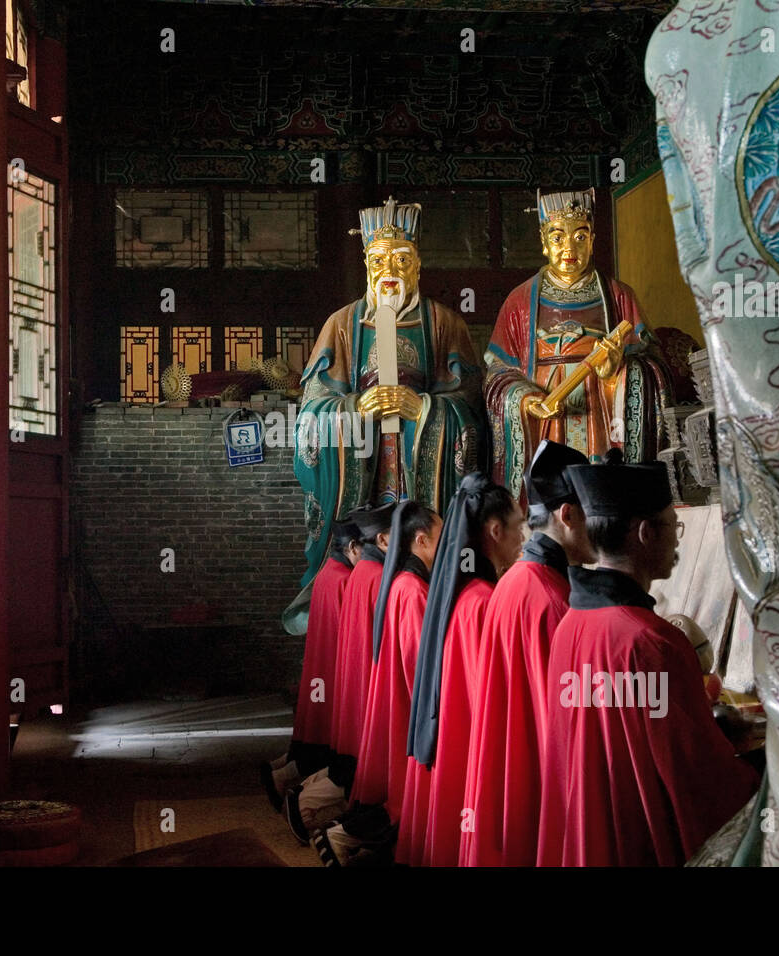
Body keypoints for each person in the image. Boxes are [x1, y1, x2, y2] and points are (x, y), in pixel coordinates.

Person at [537, 452, 760, 866]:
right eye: (673, 528)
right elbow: (693, 772)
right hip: (637, 835)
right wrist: (756, 776)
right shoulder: (649, 641)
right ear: (645, 533)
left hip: (592, 827)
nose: (678, 541)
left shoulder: (571, 623)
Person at [291, 197, 485, 598]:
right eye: (379, 261)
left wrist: (425, 410)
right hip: (366, 481)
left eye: (401, 260)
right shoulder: (343, 325)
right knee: (364, 585)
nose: (390, 272)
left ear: (418, 265)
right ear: (366, 266)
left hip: (425, 483)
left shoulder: (445, 323)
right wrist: (355, 408)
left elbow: (474, 407)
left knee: (426, 589)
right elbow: (311, 414)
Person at [484, 189, 672, 501]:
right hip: (547, 414)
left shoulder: (618, 295)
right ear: (544, 243)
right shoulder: (519, 302)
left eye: (580, 237)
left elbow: (653, 366)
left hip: (598, 412)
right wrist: (526, 400)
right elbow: (497, 373)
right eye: (558, 237)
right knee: (551, 498)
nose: (569, 247)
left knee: (599, 499)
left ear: (593, 240)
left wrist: (617, 372)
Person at [459, 439, 593, 866]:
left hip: (510, 779)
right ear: (568, 516)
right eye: (596, 514)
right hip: (538, 787)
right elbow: (568, 730)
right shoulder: (552, 600)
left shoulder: (515, 579)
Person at [399, 474, 522, 866]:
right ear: (496, 530)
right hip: (471, 743)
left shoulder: (464, 592)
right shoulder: (484, 601)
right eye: (520, 527)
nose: (524, 539)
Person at [312, 499, 441, 866]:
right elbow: (419, 666)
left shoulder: (397, 580)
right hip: (406, 707)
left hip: (391, 698)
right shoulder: (412, 587)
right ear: (418, 540)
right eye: (440, 536)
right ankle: (344, 835)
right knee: (403, 797)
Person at [284, 503, 396, 838]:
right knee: (352, 768)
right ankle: (308, 807)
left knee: (343, 761)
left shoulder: (348, 574)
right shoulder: (365, 577)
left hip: (345, 677)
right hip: (358, 681)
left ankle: (299, 794)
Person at [262, 517, 360, 810]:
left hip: (320, 670)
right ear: (353, 547)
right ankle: (301, 800)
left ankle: (285, 782)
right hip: (332, 671)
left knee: (314, 737)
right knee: (324, 743)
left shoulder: (329, 571)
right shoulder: (344, 578)